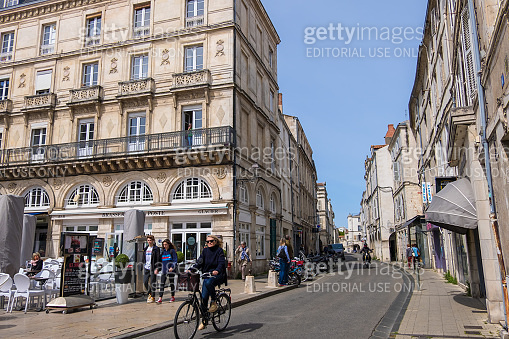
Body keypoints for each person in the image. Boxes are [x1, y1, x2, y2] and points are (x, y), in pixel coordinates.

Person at [193, 235, 226, 330]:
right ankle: (205, 320)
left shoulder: (219, 251)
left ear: (215, 241)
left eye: (211, 241)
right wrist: (191, 269)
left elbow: (221, 263)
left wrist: (217, 270)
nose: (209, 243)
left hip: (217, 275)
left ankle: (214, 301)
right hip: (207, 275)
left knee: (208, 283)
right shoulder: (205, 251)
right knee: (203, 299)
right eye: (207, 242)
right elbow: (199, 262)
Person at [157, 239, 178, 304]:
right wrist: (158, 268)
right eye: (164, 245)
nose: (165, 246)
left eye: (166, 244)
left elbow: (175, 260)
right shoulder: (162, 252)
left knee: (171, 283)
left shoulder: (172, 251)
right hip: (164, 270)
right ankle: (160, 297)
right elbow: (160, 261)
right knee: (162, 284)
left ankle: (172, 296)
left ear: (169, 244)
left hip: (171, 270)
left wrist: (172, 267)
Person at [143, 235, 161, 303]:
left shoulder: (156, 249)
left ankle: (152, 296)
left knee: (152, 282)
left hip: (153, 267)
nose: (149, 242)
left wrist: (157, 268)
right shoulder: (146, 248)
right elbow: (143, 257)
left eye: (150, 240)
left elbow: (158, 259)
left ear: (153, 241)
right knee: (145, 281)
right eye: (148, 240)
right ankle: (149, 292)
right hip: (146, 267)